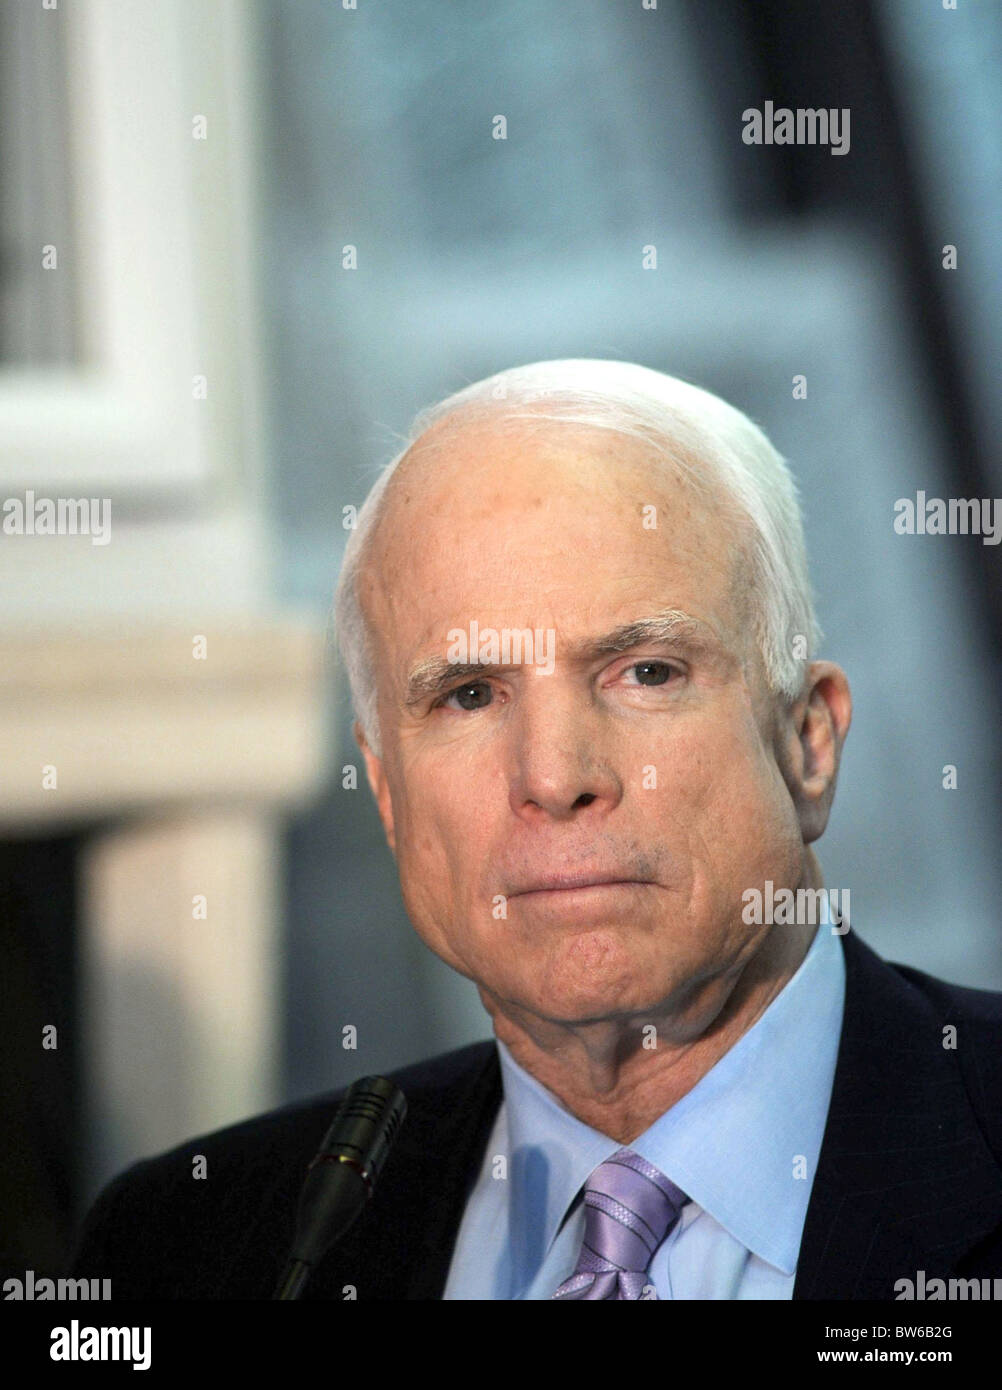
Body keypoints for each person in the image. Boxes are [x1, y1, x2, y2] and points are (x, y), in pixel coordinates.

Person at [69, 359, 1002, 1300]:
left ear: (808, 745)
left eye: (646, 672)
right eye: (469, 695)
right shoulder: (181, 1248)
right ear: (389, 797)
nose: (556, 779)